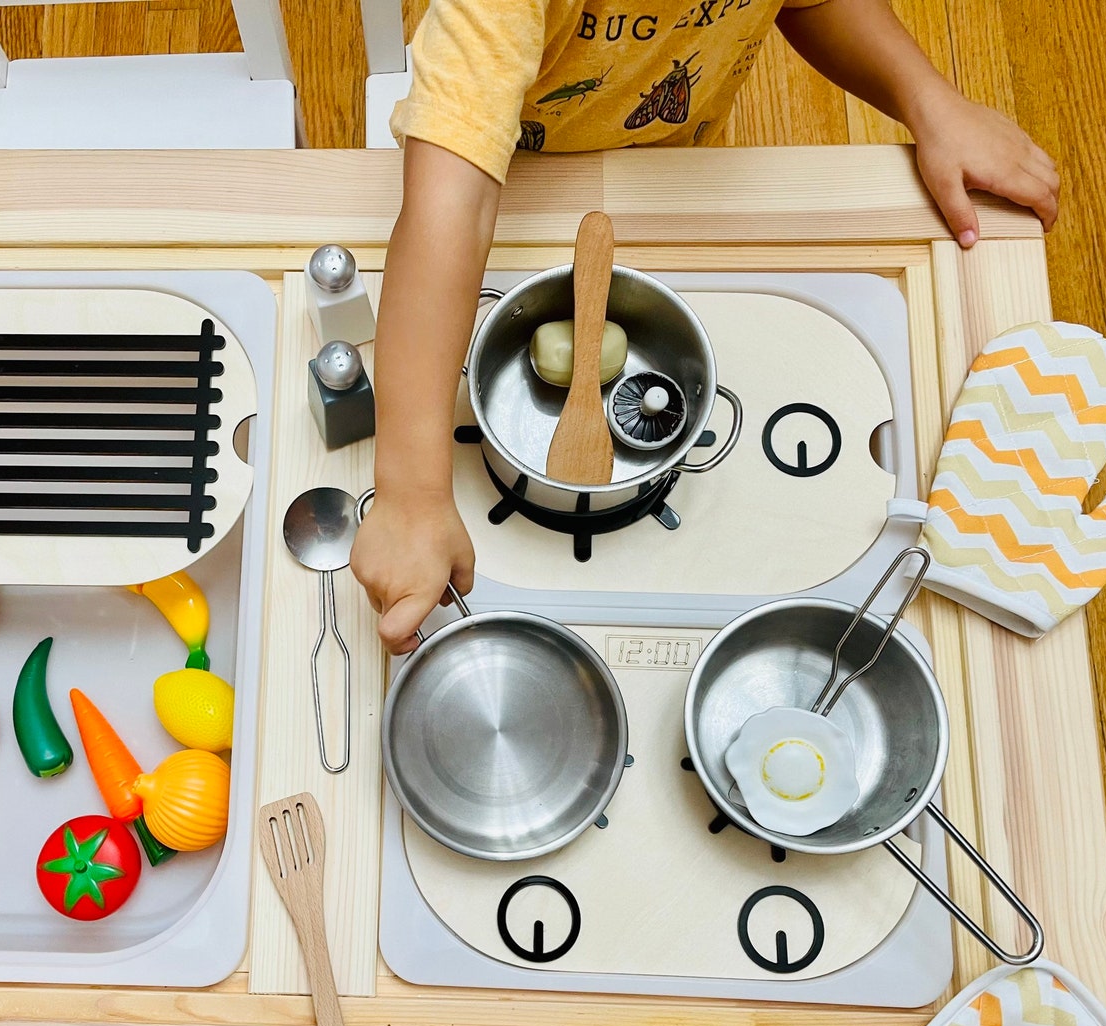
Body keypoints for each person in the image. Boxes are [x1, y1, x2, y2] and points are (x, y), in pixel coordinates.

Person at [350, 0, 1059, 652]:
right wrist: (411, 494)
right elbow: (452, 208)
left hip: (667, 176)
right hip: (509, 178)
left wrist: (927, 100)